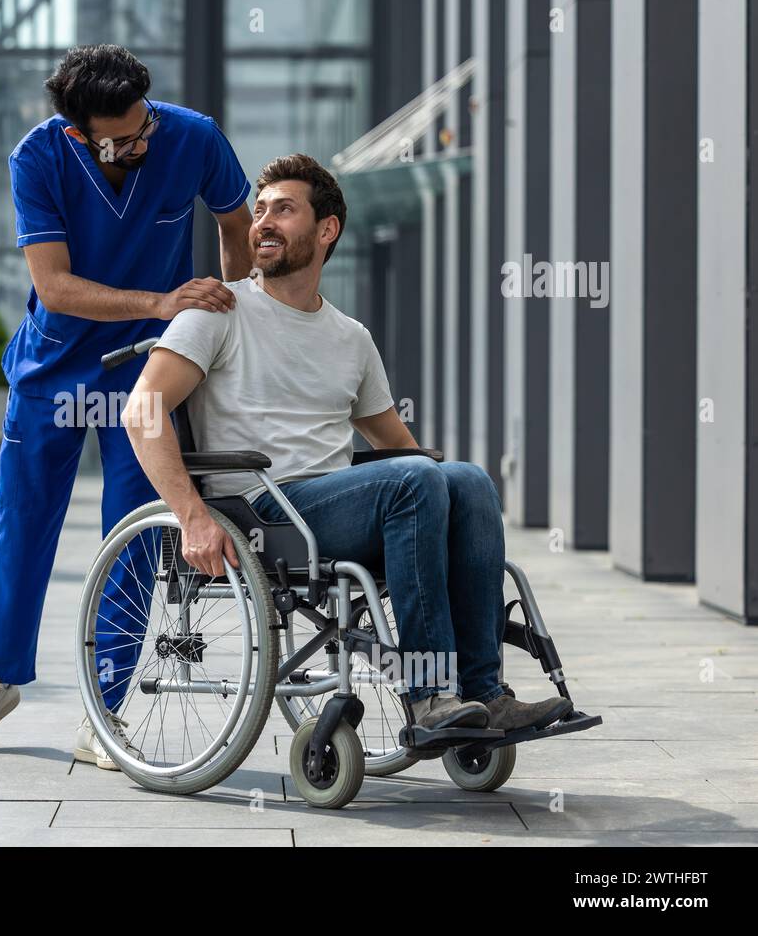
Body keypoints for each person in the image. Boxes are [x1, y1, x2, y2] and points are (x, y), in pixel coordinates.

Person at [122, 153, 572, 740]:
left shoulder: (350, 337)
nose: (262, 222)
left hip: (337, 506)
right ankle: (429, 693)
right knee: (420, 480)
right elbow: (142, 410)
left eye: (283, 209)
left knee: (467, 479)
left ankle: (484, 691)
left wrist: (449, 498)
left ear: (326, 228)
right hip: (263, 510)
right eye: (259, 210)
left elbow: (401, 448)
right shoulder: (218, 313)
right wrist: (191, 517)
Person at [0, 44, 256, 768]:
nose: (143, 140)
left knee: (136, 533)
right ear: (81, 133)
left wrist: (222, 319)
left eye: (145, 122)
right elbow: (54, 285)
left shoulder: (193, 136)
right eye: (124, 135)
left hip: (145, 373)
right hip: (53, 368)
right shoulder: (38, 158)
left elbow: (236, 225)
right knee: (19, 525)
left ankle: (103, 708)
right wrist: (158, 300)